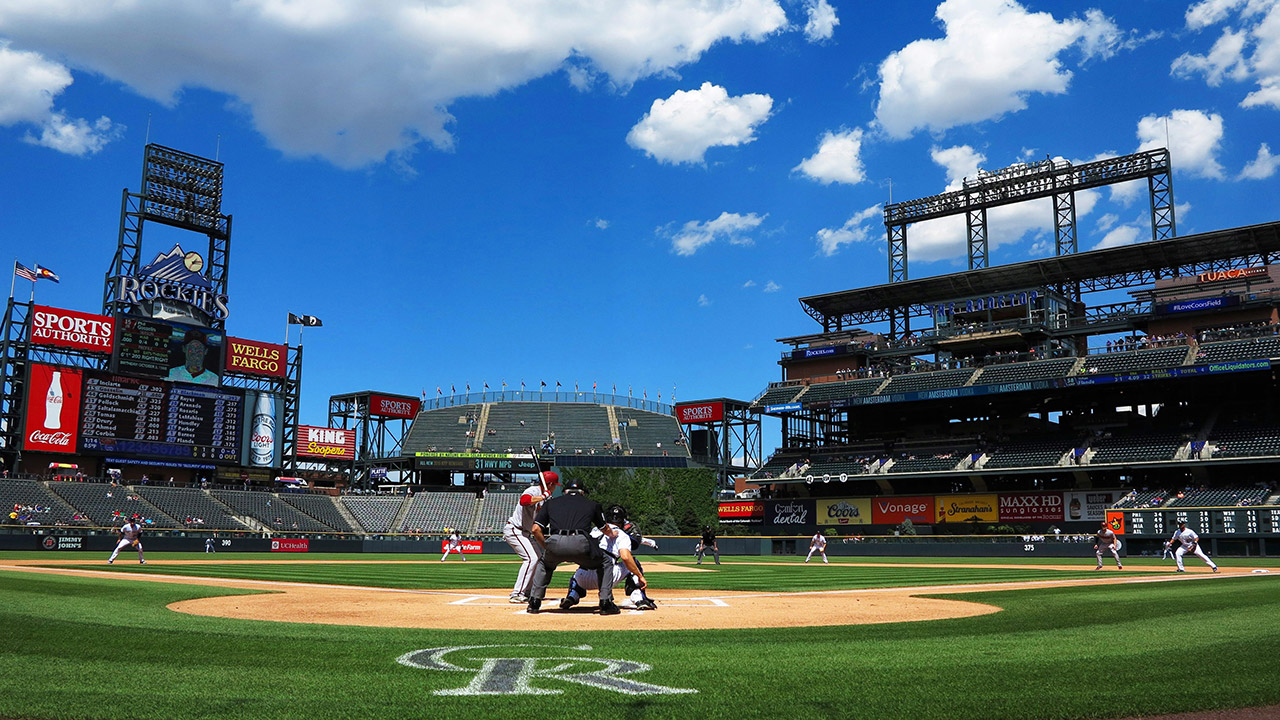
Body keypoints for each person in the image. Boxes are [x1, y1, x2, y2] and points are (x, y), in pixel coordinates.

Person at [526, 477, 618, 614]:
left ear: (565, 491)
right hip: (581, 543)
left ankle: (534, 602)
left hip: (555, 541)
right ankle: (605, 602)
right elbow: (604, 529)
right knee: (605, 562)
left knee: (544, 564)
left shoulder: (551, 503)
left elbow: (535, 529)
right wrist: (613, 533)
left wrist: (546, 547)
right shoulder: (592, 504)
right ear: (582, 492)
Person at [559, 504, 656, 611]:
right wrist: (639, 575)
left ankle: (572, 597)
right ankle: (639, 599)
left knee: (576, 574)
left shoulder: (594, 530)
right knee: (634, 562)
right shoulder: (622, 535)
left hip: (583, 577)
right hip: (606, 577)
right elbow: (625, 557)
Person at [503, 471, 559, 603]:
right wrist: (543, 496)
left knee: (538, 558)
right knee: (531, 559)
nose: (555, 487)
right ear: (550, 484)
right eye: (555, 485)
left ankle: (528, 592)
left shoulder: (545, 498)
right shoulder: (533, 490)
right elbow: (524, 501)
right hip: (515, 530)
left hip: (525, 533)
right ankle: (517, 593)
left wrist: (547, 503)